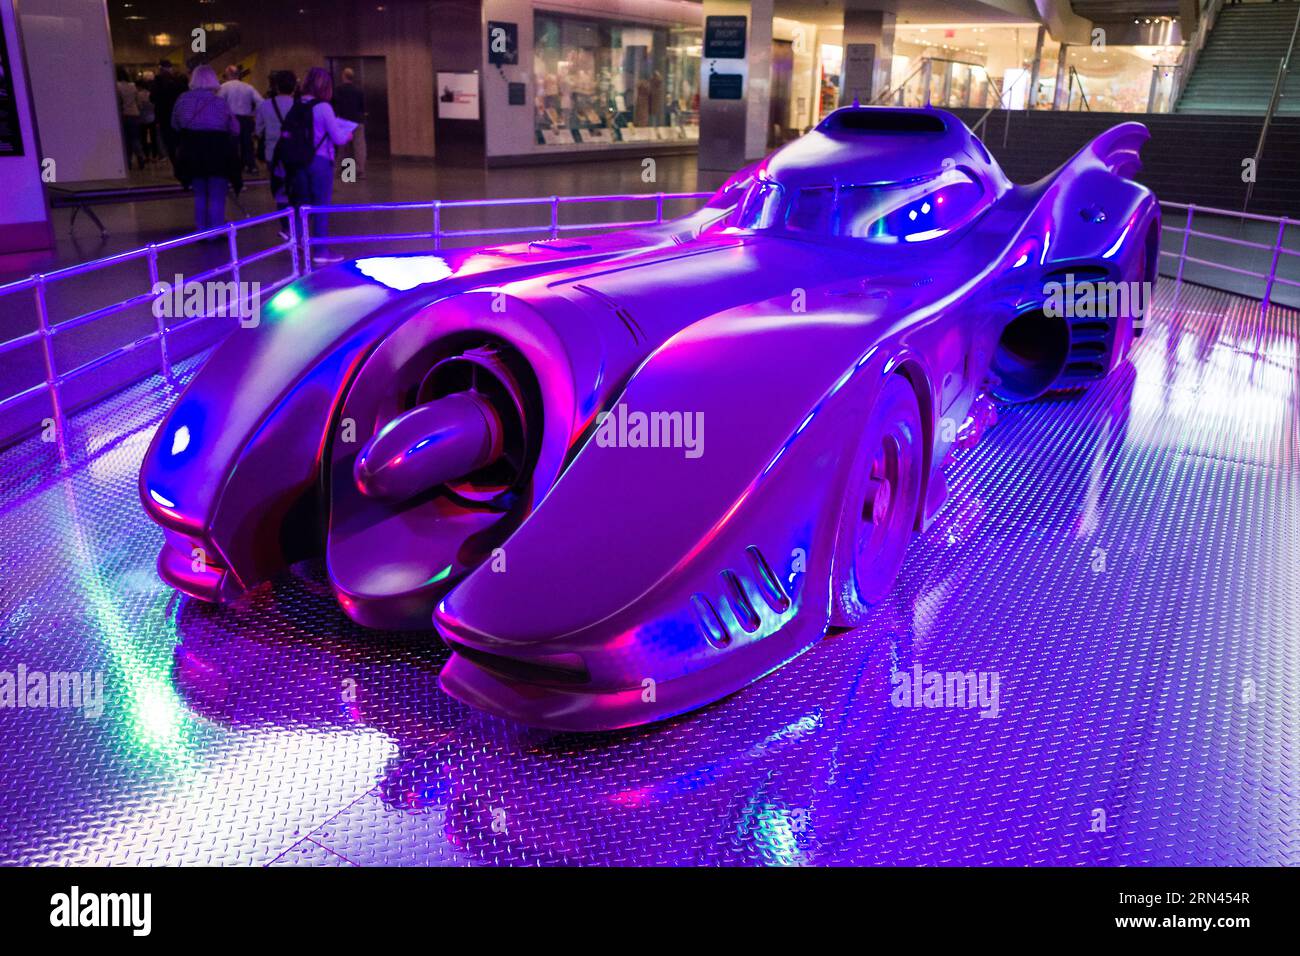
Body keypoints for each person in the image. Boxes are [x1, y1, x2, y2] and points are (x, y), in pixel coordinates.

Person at [280, 67, 353, 264]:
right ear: (326, 87)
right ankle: (321, 250)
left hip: (297, 161)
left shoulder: (298, 104)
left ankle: (297, 245)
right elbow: (338, 138)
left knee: (301, 204)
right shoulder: (323, 107)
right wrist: (348, 134)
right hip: (319, 161)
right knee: (320, 205)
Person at [171, 65, 242, 232]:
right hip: (217, 151)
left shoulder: (182, 99)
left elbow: (174, 124)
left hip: (193, 151)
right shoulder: (219, 102)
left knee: (200, 194)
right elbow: (235, 128)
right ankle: (215, 231)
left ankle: (202, 231)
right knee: (217, 194)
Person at [254, 70, 297, 222]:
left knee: (279, 189)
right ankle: (296, 222)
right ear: (294, 87)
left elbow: (258, 130)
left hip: (273, 153)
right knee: (296, 187)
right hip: (295, 153)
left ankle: (285, 224)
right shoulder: (298, 105)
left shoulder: (265, 106)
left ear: (276, 86)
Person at [218, 64, 263, 174]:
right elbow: (261, 102)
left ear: (228, 74)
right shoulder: (248, 87)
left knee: (231, 145)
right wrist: (253, 113)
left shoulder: (224, 87)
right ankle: (251, 166)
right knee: (247, 144)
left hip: (230, 119)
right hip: (246, 119)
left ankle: (232, 167)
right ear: (238, 74)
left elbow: (218, 103)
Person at [151, 60, 187, 170]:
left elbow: (152, 98)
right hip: (179, 115)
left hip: (164, 116)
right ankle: (183, 164)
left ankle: (176, 166)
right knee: (179, 141)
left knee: (169, 143)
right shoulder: (177, 81)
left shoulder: (157, 81)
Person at [332, 67, 366, 178]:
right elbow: (362, 107)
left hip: (344, 121)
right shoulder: (359, 90)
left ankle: (339, 170)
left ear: (343, 76)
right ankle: (360, 171)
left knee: (343, 147)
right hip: (358, 121)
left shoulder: (338, 90)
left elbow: (335, 105)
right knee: (359, 147)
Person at [116, 67, 144, 172]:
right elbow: (138, 102)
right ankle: (141, 155)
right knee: (136, 138)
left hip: (124, 114)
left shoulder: (117, 86)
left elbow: (118, 102)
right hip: (135, 114)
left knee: (127, 140)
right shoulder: (133, 86)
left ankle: (128, 161)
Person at [136, 78, 159, 162]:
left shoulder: (138, 95)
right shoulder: (150, 93)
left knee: (143, 138)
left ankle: (146, 156)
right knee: (153, 138)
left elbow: (139, 106)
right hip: (152, 117)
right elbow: (154, 106)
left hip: (142, 118)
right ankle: (155, 156)